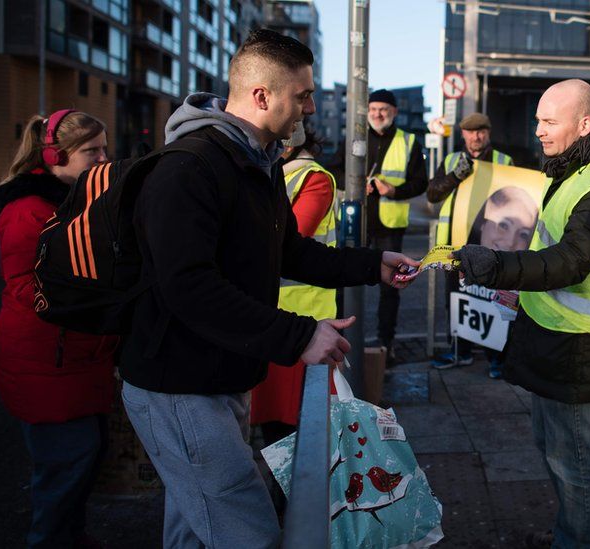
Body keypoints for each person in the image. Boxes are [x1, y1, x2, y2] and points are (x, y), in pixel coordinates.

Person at [118, 30, 419, 548]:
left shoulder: (255, 163)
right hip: (178, 382)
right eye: (301, 95)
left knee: (193, 526)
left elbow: (290, 252)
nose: (308, 107)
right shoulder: (190, 166)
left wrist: (374, 265)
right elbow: (187, 286)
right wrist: (300, 336)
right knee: (251, 532)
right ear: (262, 96)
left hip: (219, 373)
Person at [453, 79, 590, 548]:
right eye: (537, 119)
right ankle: (572, 533)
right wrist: (521, 292)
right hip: (551, 331)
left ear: (584, 124)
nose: (538, 130)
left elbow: (570, 261)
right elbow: (551, 250)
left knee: (574, 459)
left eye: (549, 121)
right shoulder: (573, 170)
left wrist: (499, 267)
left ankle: (578, 541)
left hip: (579, 343)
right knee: (551, 445)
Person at [0, 109, 115, 548]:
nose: (103, 158)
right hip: (47, 358)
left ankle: (69, 537)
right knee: (66, 464)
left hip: (74, 354)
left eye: (104, 148)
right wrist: (87, 301)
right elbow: (24, 284)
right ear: (55, 155)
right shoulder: (28, 209)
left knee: (83, 458)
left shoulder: (75, 199)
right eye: (91, 151)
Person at [251, 119, 338, 445]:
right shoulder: (269, 172)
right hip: (269, 313)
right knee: (274, 426)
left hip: (302, 317)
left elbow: (291, 241)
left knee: (291, 426)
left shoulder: (314, 178)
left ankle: (291, 495)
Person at [330, 89, 428, 363]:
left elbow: (420, 183)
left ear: (394, 113)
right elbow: (333, 170)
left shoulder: (409, 142)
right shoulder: (354, 138)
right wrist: (353, 182)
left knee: (391, 288)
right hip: (355, 222)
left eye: (383, 109)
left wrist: (393, 190)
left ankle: (387, 343)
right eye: (373, 109)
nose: (377, 114)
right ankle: (341, 341)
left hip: (389, 227)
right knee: (346, 281)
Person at [428, 112, 515, 375]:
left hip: (491, 244)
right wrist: (454, 176)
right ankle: (460, 351)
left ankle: (496, 357)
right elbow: (433, 194)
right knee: (456, 298)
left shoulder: (504, 161)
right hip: (456, 243)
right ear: (463, 134)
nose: (476, 137)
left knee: (494, 299)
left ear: (488, 133)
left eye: (481, 132)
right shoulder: (452, 160)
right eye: (470, 132)